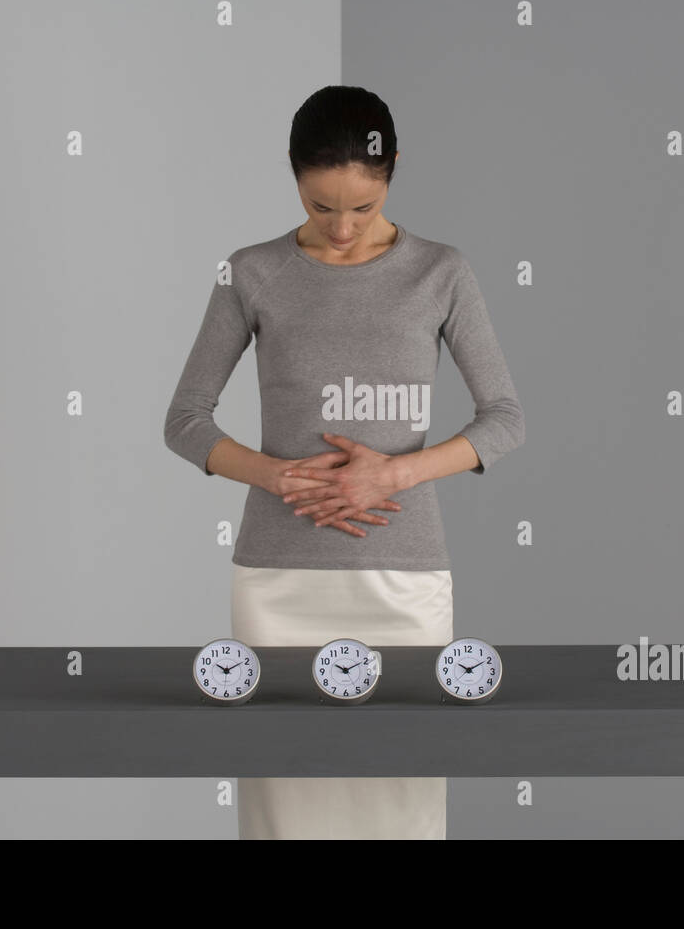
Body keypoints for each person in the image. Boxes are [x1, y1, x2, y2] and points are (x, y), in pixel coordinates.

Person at [164, 85, 525, 838]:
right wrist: (276, 473)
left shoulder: (443, 272)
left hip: (404, 576)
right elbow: (185, 419)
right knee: (284, 801)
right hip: (279, 577)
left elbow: (505, 420)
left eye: (361, 207)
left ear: (392, 170)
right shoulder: (251, 271)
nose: (341, 228)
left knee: (402, 794)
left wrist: (392, 473)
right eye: (321, 206)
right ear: (293, 177)